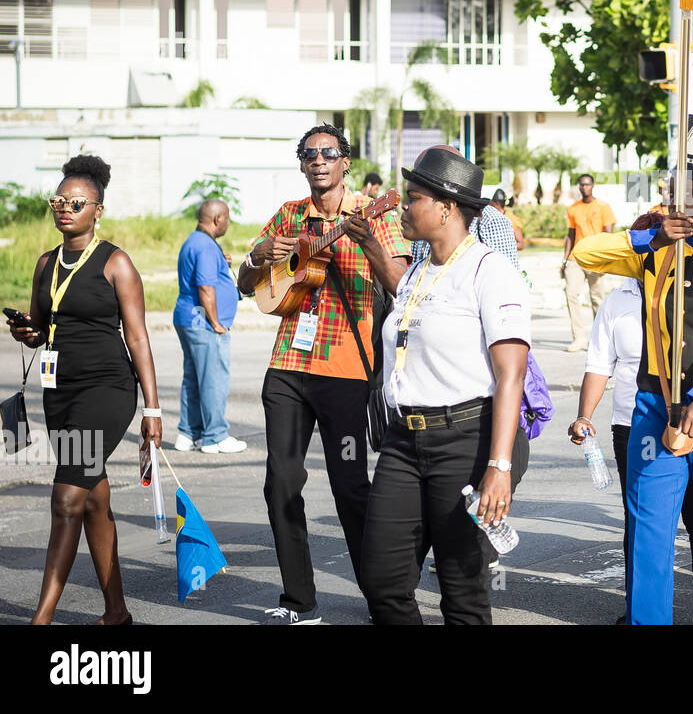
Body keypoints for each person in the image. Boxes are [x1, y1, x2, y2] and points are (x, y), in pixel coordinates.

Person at [573, 116, 693, 625]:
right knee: (649, 534)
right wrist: (648, 239)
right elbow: (584, 253)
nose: (677, 191)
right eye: (673, 181)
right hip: (653, 406)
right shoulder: (654, 249)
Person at [237, 124, 410, 625]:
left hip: (346, 371)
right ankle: (299, 601)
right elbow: (249, 285)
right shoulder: (289, 215)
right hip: (289, 365)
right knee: (280, 484)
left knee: (351, 488)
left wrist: (368, 241)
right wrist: (258, 256)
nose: (319, 160)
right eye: (309, 154)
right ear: (301, 163)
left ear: (345, 162)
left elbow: (401, 284)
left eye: (328, 153)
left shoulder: (376, 213)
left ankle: (383, 602)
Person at [358, 147, 530, 625]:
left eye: (413, 198)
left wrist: (498, 466)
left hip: (466, 441)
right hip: (403, 442)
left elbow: (510, 374)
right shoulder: (416, 270)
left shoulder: (490, 270)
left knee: (462, 590)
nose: (403, 208)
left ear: (447, 207)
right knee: (382, 580)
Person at [7, 154, 162, 625]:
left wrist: (152, 411)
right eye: (59, 200)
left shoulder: (116, 263)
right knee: (92, 496)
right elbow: (41, 325)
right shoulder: (45, 263)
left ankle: (41, 619)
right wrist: (26, 332)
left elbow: (137, 336)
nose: (65, 208)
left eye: (77, 202)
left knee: (66, 498)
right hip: (60, 392)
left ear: (98, 210)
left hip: (107, 391)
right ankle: (116, 611)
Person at [567, 236, 693, 625]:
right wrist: (585, 415)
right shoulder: (618, 301)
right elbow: (600, 363)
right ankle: (642, 608)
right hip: (633, 428)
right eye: (652, 243)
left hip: (689, 422)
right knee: (642, 522)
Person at [173, 198, 245, 454]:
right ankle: (215, 436)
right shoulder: (205, 247)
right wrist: (216, 323)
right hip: (203, 322)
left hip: (187, 318)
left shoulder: (196, 241)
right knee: (214, 379)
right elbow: (205, 287)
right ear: (217, 220)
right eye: (226, 218)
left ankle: (188, 433)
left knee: (193, 377)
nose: (228, 222)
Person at [561, 173, 617, 352]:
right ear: (578, 187)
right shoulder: (573, 208)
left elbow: (608, 234)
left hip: (596, 257)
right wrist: (564, 259)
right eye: (582, 185)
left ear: (593, 186)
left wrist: (606, 258)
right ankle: (579, 338)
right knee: (571, 295)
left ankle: (600, 338)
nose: (584, 187)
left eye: (587, 184)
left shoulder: (603, 206)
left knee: (597, 298)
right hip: (576, 257)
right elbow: (570, 235)